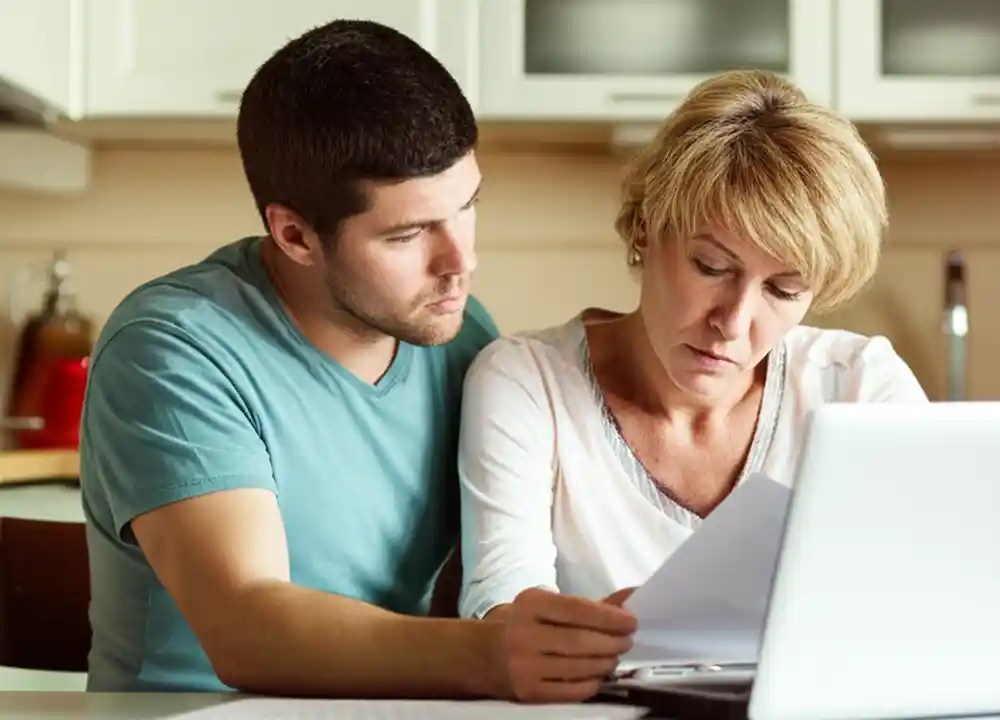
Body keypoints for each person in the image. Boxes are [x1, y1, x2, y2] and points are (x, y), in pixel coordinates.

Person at [79, 20, 635, 701]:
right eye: (407, 235)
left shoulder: (460, 334)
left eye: (467, 208)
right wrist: (489, 655)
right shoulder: (173, 349)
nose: (461, 263)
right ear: (294, 235)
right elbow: (246, 623)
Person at [458, 70, 928, 620]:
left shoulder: (859, 386)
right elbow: (499, 604)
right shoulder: (529, 384)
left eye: (783, 289)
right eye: (711, 267)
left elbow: (928, 588)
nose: (733, 322)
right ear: (646, 228)